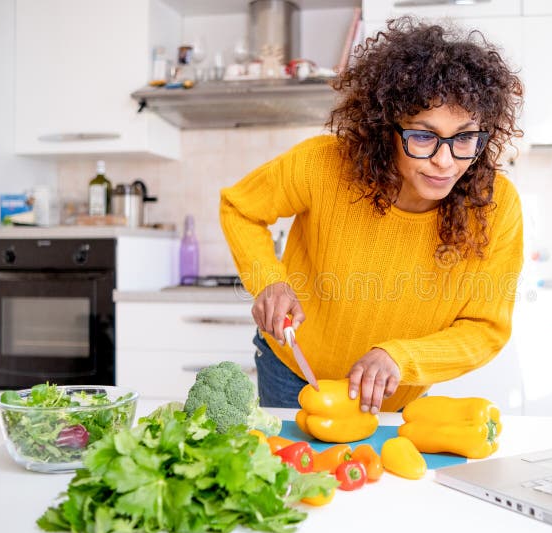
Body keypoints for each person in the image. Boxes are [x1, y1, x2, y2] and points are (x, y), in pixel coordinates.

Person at [220, 16, 524, 414]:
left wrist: (400, 358)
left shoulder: (496, 205)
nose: (445, 161)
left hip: (397, 391)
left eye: (465, 137)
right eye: (422, 136)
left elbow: (486, 329)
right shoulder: (322, 164)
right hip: (294, 370)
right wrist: (268, 281)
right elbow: (240, 207)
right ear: (386, 128)